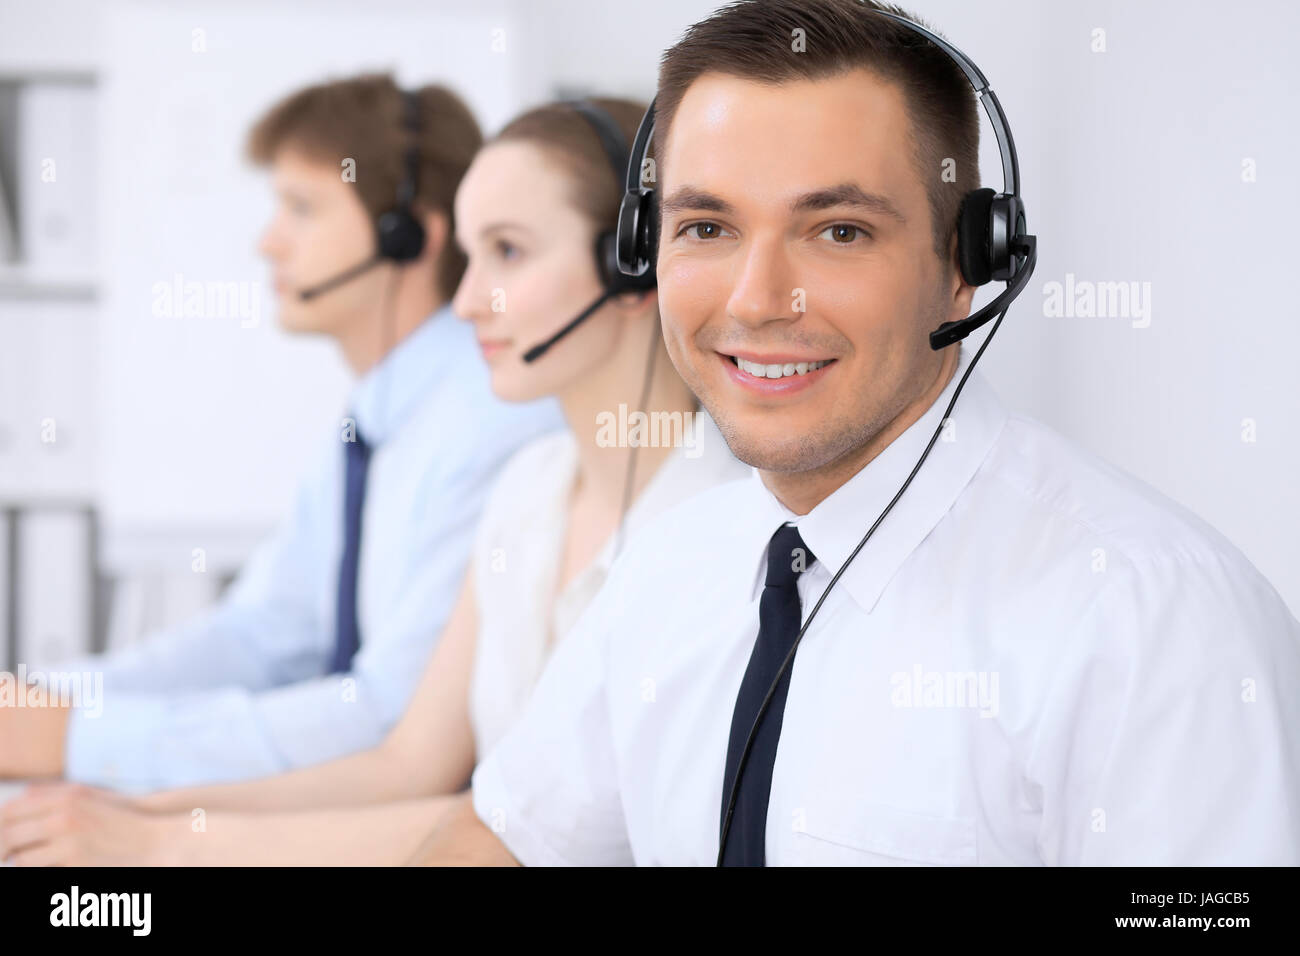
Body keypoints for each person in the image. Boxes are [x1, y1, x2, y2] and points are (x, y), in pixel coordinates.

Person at [409, 0, 1300, 866]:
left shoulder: (1151, 621)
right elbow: (504, 839)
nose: (757, 300)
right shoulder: (672, 566)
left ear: (968, 266)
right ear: (648, 246)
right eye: (706, 227)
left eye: (839, 231)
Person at [0, 98, 747, 865]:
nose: (464, 301)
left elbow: (507, 836)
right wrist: (124, 812)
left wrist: (154, 845)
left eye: (509, 252)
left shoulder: (722, 523)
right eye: (471, 253)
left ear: (631, 256)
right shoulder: (531, 487)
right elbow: (406, 766)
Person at [0, 75, 562, 791]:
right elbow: (263, 636)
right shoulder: (376, 420)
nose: (268, 243)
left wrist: (80, 741)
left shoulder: (494, 422)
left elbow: (393, 718)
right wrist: (53, 700)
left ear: (406, 237)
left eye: (303, 208)